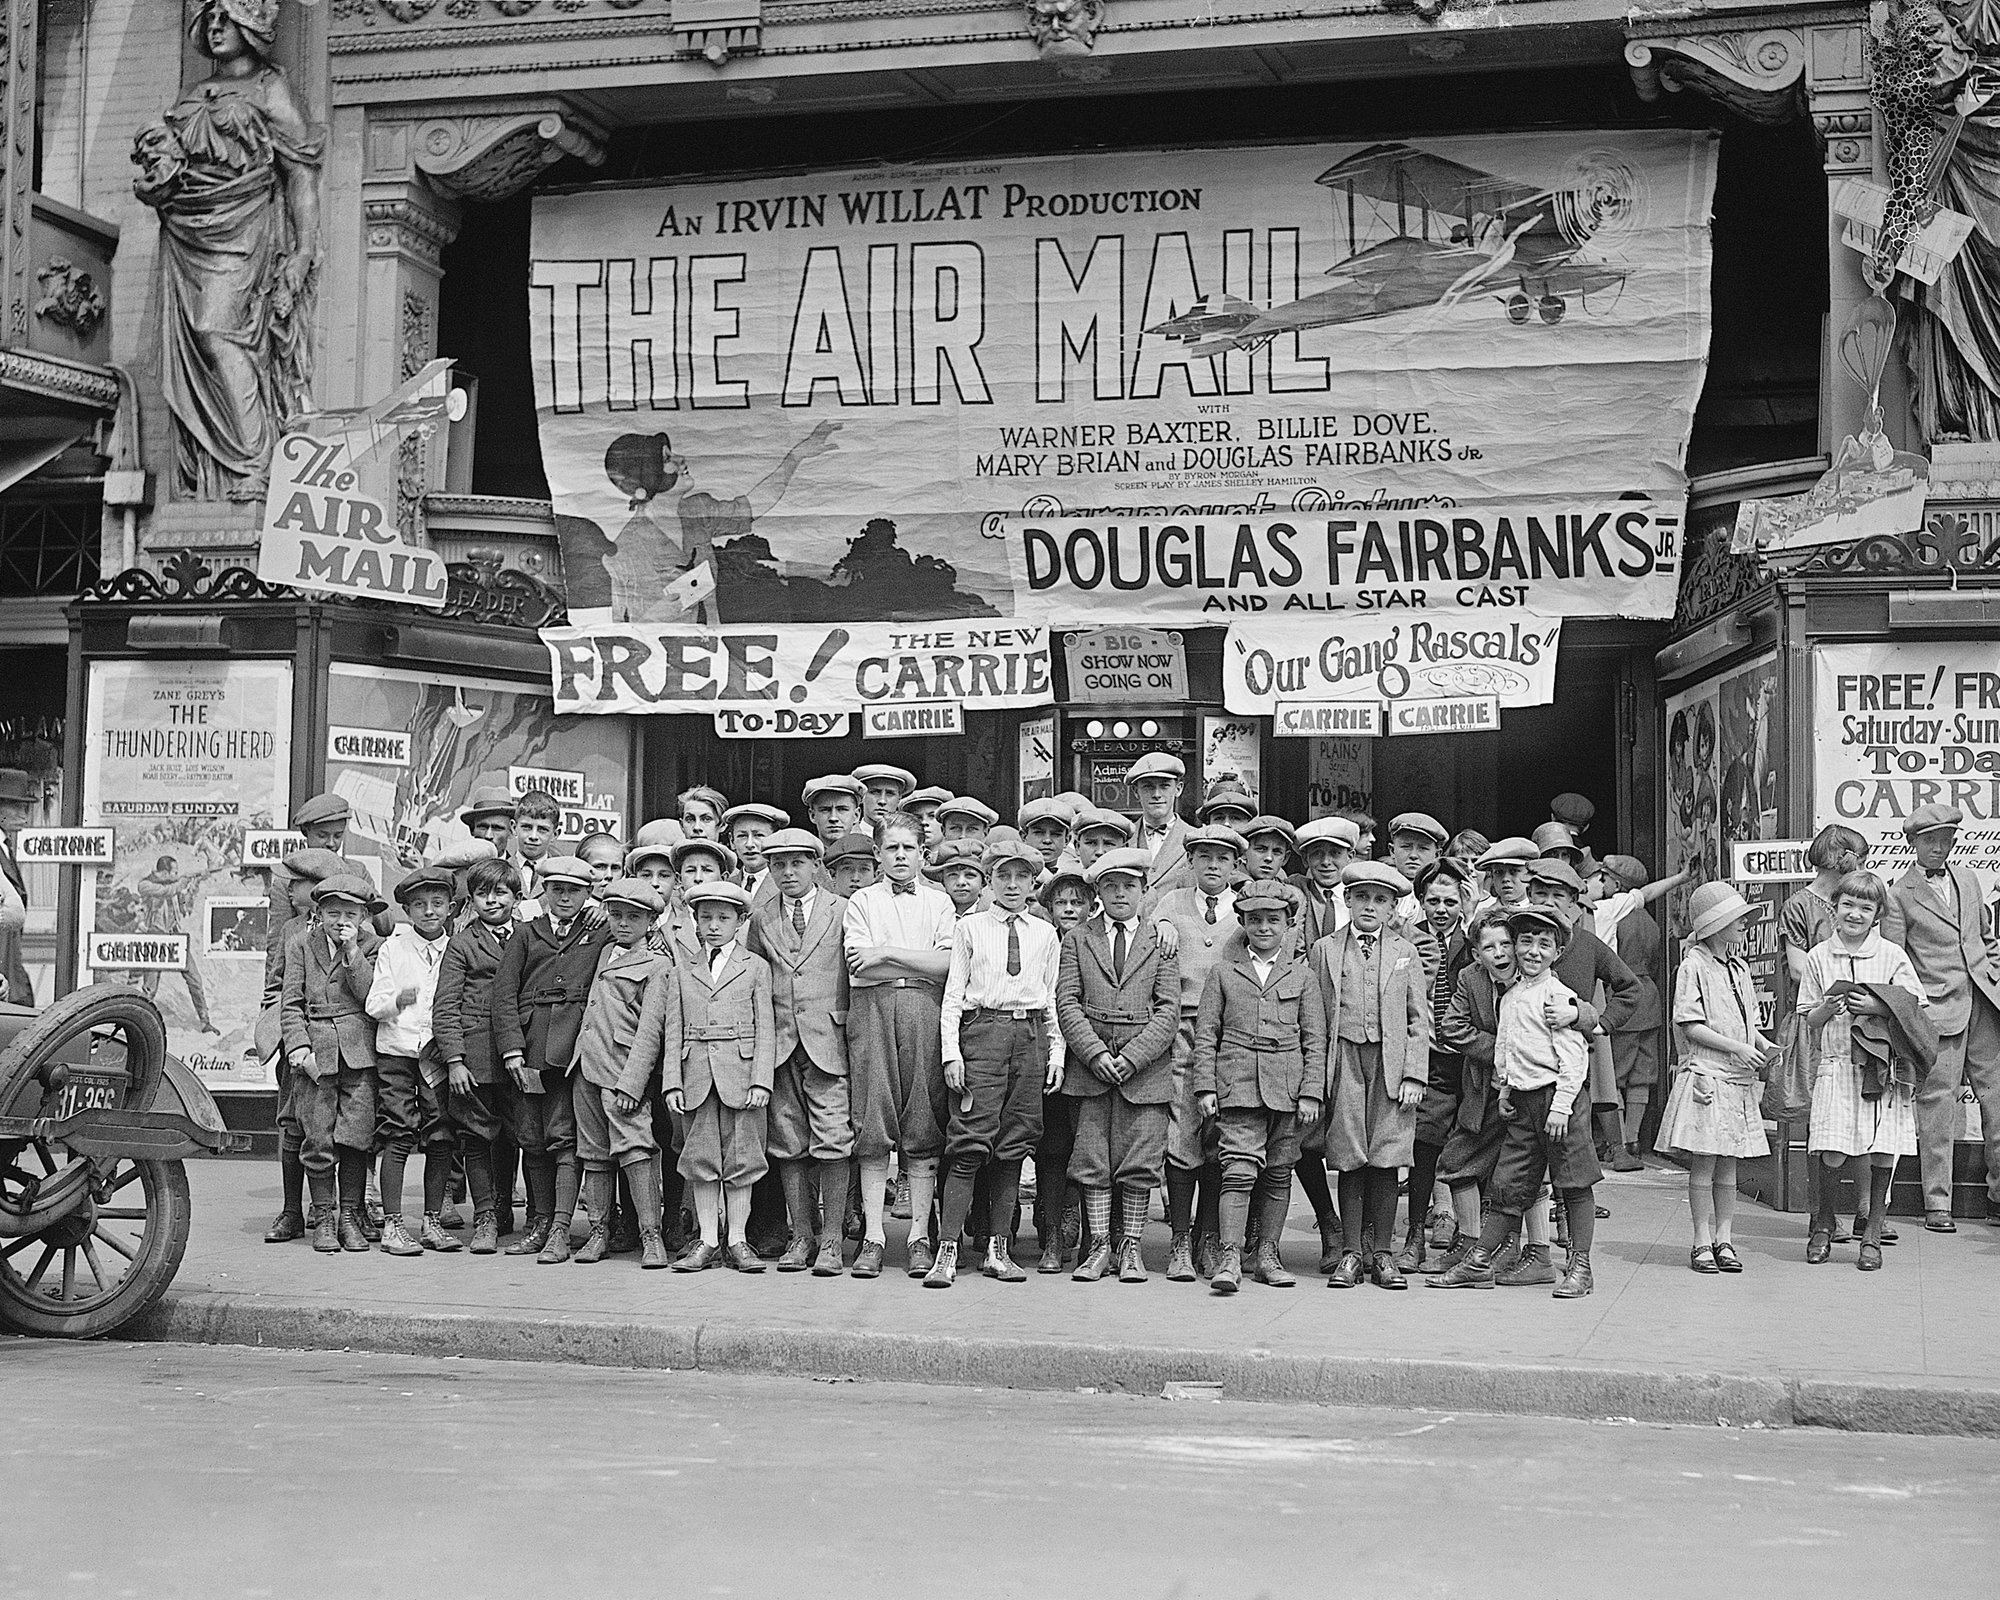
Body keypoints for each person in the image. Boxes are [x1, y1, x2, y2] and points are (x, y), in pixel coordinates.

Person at [1433, 905, 1599, 1298]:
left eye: (1544, 944)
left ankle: (1581, 1266)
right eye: (1526, 941)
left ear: (1558, 953)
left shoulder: (1559, 998)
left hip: (1559, 1101)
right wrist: (1506, 1090)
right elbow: (1507, 1046)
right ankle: (1477, 1262)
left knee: (1573, 1183)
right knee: (1509, 1185)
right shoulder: (1512, 995)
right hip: (1522, 1103)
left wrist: (1561, 1107)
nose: (1532, 951)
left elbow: (1574, 1057)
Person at [927, 841, 1062, 1287]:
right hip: (982, 1032)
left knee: (1014, 1145)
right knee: (969, 1143)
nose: (1012, 885)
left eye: (1021, 877)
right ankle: (947, 1251)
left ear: (1032, 883)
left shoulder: (1045, 933)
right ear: (990, 880)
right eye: (1003, 876)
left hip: (1029, 1037)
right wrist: (952, 1053)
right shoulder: (970, 927)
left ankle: (997, 1249)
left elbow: (1052, 1000)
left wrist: (1055, 1052)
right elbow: (953, 995)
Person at [1190, 883, 1327, 1293]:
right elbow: (1206, 1033)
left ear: (1288, 924)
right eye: (1254, 920)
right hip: (1238, 1085)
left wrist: (1310, 1092)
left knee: (1280, 1171)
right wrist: (1205, 1087)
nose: (1263, 927)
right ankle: (1230, 1257)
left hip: (1286, 1088)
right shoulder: (1223, 971)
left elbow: (1314, 1038)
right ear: (1244, 923)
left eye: (1273, 920)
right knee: (1238, 1169)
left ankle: (1267, 1254)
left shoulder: (1302, 975)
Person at [1057, 848, 1180, 1283]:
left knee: (1140, 1161)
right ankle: (1098, 1248)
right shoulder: (1078, 939)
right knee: (1092, 1160)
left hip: (1144, 1072)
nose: (1120, 893)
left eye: (1129, 885)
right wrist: (1094, 1054)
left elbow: (1168, 1010)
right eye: (1111, 886)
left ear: (1145, 891)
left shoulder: (1160, 941)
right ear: (1097, 892)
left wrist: (1131, 1057)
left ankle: (1130, 1248)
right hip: (1090, 1071)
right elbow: (1067, 1002)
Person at [1801, 871, 1934, 1270]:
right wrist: (1828, 1009)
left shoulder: (1891, 955)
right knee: (1832, 1148)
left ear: (1877, 914)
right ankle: (1824, 1221)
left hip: (1882, 1068)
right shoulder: (1819, 956)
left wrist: (1878, 1007)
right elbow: (1808, 1016)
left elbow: (1916, 1007)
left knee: (1880, 1148)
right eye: (1848, 905)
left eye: (1865, 907)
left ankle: (1873, 1230)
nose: (1855, 914)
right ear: (1835, 908)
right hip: (1838, 1064)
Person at [843, 810, 955, 1276]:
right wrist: (916, 963)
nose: (901, 856)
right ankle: (872, 1237)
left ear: (923, 853)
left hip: (925, 1014)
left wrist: (887, 952)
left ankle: (918, 1237)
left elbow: (948, 964)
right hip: (872, 1012)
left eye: (909, 847)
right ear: (878, 853)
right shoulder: (861, 902)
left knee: (923, 1117)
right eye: (892, 848)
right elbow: (858, 968)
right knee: (873, 1117)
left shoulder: (939, 902)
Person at [1881, 803, 2000, 1233]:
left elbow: (1986, 939)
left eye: (1945, 839)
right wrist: (1918, 1010)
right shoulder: (1898, 895)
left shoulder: (1969, 880)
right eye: (1928, 840)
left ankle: (1998, 1197)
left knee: (1998, 1100)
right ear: (1912, 843)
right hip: (1938, 1013)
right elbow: (1894, 961)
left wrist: (1994, 978)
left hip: (1985, 1006)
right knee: (1938, 1107)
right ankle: (1937, 1204)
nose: (1938, 848)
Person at [1314, 861, 1429, 1290]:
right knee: (1348, 1153)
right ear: (1347, 900)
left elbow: (1420, 1018)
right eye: (1361, 897)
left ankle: (1382, 1253)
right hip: (1343, 1058)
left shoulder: (1404, 951)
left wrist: (1415, 1074)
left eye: (1380, 900)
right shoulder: (1325, 949)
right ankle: (1349, 1253)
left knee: (1387, 1153)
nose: (1369, 906)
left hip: (1391, 1064)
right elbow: (1316, 1014)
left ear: (1393, 907)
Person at [748, 829, 856, 1278]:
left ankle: (832, 1238)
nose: (788, 873)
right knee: (787, 1141)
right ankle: (802, 1235)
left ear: (817, 866)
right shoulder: (759, 917)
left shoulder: (844, 911)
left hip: (829, 1041)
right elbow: (755, 976)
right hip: (779, 1044)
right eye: (778, 865)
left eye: (797, 863)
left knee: (833, 1138)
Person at [492, 856, 608, 1260]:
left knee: (564, 1138)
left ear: (588, 894)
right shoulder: (526, 934)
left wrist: (605, 908)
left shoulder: (600, 931)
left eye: (574, 890)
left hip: (574, 1047)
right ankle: (540, 1223)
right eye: (556, 889)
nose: (564, 897)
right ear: (543, 891)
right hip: (531, 1045)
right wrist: (511, 1049)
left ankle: (560, 1227)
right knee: (531, 1137)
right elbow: (504, 994)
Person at [1657, 882, 1774, 1274]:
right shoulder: (1694, 966)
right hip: (1708, 1074)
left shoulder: (1738, 968)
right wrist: (1735, 1048)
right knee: (1704, 1163)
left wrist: (1760, 1043)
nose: (1744, 924)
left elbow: (1747, 1020)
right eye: (1736, 919)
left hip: (1737, 1077)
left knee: (1730, 1164)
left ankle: (1726, 1238)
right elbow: (1690, 1024)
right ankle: (1700, 1240)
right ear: (1714, 926)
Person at [661, 880, 777, 1271]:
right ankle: (708, 1240)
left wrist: (762, 1079)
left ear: (740, 921)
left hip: (741, 1076)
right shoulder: (682, 970)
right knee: (700, 1157)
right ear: (694, 921)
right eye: (705, 917)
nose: (713, 925)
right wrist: (672, 1082)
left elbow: (767, 1027)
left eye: (723, 918)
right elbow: (672, 1027)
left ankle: (739, 1240)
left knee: (743, 1157)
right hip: (695, 1074)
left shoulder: (755, 967)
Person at [1779, 825, 1886, 1243]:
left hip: (1858, 1020)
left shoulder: (1858, 899)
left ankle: (1865, 1212)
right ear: (1840, 855)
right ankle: (1820, 1216)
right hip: (1818, 1018)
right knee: (1820, 1121)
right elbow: (1795, 967)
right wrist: (1842, 976)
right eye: (1856, 855)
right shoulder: (1800, 904)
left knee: (1865, 1114)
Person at [1152, 823, 1246, 1280]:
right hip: (1181, 1030)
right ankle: (1179, 1241)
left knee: (1219, 1135)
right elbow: (1151, 931)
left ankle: (1210, 1236)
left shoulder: (1245, 910)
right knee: (1180, 1132)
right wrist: (1165, 923)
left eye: (1222, 859)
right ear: (1190, 861)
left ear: (1234, 865)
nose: (1212, 866)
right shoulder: (1171, 902)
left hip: (1229, 1034)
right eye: (1203, 857)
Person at [568, 878, 674, 1269]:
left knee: (636, 1148)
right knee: (593, 1153)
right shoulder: (605, 953)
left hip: (621, 1072)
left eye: (634, 917)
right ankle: (598, 1232)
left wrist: (632, 1082)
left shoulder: (658, 965)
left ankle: (651, 1236)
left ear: (650, 921)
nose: (623, 923)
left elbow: (650, 1030)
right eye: (616, 915)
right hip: (586, 1067)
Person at [281, 874, 383, 1255]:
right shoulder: (300, 946)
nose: (341, 920)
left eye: (351, 914)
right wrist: (298, 1047)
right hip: (315, 1055)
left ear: (363, 917)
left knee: (356, 1138)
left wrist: (353, 952)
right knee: (318, 1138)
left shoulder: (373, 946)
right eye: (333, 912)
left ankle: (350, 1217)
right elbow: (290, 1003)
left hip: (359, 1053)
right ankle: (324, 1217)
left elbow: (372, 996)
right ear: (319, 912)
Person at [364, 867, 459, 1257]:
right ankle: (393, 1225)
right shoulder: (393, 948)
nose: (429, 912)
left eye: (438, 904)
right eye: (419, 905)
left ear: (451, 907)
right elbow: (373, 1005)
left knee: (440, 1136)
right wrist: (396, 1002)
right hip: (399, 1054)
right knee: (399, 1134)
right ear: (406, 910)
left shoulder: (457, 948)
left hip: (437, 1056)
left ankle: (432, 1221)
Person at [256, 846, 347, 1243]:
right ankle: (292, 1210)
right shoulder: (293, 931)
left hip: (340, 1047)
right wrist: (278, 1032)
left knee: (336, 1129)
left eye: (297, 884)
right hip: (298, 1044)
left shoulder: (356, 931)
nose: (289, 891)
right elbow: (277, 984)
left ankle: (338, 1211)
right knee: (292, 1125)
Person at [433, 856, 520, 1253]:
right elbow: (446, 1005)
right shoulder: (463, 943)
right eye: (482, 893)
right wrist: (454, 1060)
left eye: (500, 892)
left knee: (519, 1136)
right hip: (477, 1056)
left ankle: (510, 1209)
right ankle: (485, 1216)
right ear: (471, 899)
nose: (491, 901)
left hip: (519, 1054)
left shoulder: (528, 937)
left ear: (516, 898)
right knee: (478, 1137)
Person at [1397, 858, 1476, 1272]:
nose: (1441, 909)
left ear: (1462, 902)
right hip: (1428, 1056)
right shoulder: (1408, 941)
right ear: (1421, 902)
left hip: (1469, 1060)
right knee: (1425, 1146)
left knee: (1468, 1147)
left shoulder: (1476, 942)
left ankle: (1469, 1239)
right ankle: (1414, 1237)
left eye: (1449, 900)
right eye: (1433, 900)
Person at [1429, 912, 1517, 1278]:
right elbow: (1451, 1025)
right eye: (1488, 947)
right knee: (1456, 1161)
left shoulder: (1534, 976)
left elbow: (1576, 1012)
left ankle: (1514, 1248)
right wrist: (1499, 1050)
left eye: (1505, 944)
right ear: (1477, 954)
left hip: (1525, 1094)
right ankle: (1469, 1240)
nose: (1499, 953)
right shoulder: (1469, 978)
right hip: (1483, 1089)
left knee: (1518, 1172)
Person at [1588, 853, 1684, 1169]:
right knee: (1643, 1071)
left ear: (1616, 883)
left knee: (1613, 1070)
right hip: (1650, 998)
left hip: (1622, 996)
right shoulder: (1650, 921)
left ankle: (1617, 1143)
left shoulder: (1607, 912)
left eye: (1604, 878)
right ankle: (1633, 1139)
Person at [1127, 753, 1193, 909]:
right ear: (1136, 792)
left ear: (1178, 789)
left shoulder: (1195, 839)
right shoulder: (1123, 839)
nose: (1156, 794)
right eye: (1148, 786)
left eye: (1164, 786)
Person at [0, 768, 39, 1006]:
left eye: (25, 806)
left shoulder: (5, 846)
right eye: (15, 805)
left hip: (9, 963)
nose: (23, 814)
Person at [1293, 817, 1357, 945]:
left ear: (1350, 857)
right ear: (1306, 860)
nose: (1326, 862)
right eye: (1317, 853)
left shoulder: (1360, 897)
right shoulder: (1298, 890)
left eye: (1335, 853)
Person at [724, 803, 788, 909]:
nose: (750, 844)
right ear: (732, 841)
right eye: (742, 836)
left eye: (758, 835)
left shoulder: (785, 884)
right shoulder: (726, 886)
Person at [512, 789, 563, 918]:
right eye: (526, 827)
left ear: (555, 834)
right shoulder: (500, 871)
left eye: (542, 829)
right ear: (513, 828)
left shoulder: (562, 875)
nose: (533, 836)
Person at [929, 840, 988, 919]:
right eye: (953, 875)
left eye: (970, 875)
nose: (961, 882)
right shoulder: (932, 914)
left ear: (983, 882)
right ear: (943, 881)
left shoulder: (990, 915)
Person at [804, 775, 864, 847]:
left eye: (842, 809)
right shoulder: (805, 857)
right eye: (825, 810)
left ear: (856, 815)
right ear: (812, 816)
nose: (833, 818)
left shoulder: (874, 855)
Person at [1018, 798, 1075, 873]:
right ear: (1024, 837)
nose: (1047, 840)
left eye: (1056, 834)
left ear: (1067, 840)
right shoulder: (1012, 879)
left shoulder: (1071, 878)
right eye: (1039, 833)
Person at [825, 833, 878, 899]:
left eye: (864, 869)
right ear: (833, 874)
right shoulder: (822, 908)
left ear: (875, 875)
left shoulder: (885, 907)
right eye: (847, 868)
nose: (855, 878)